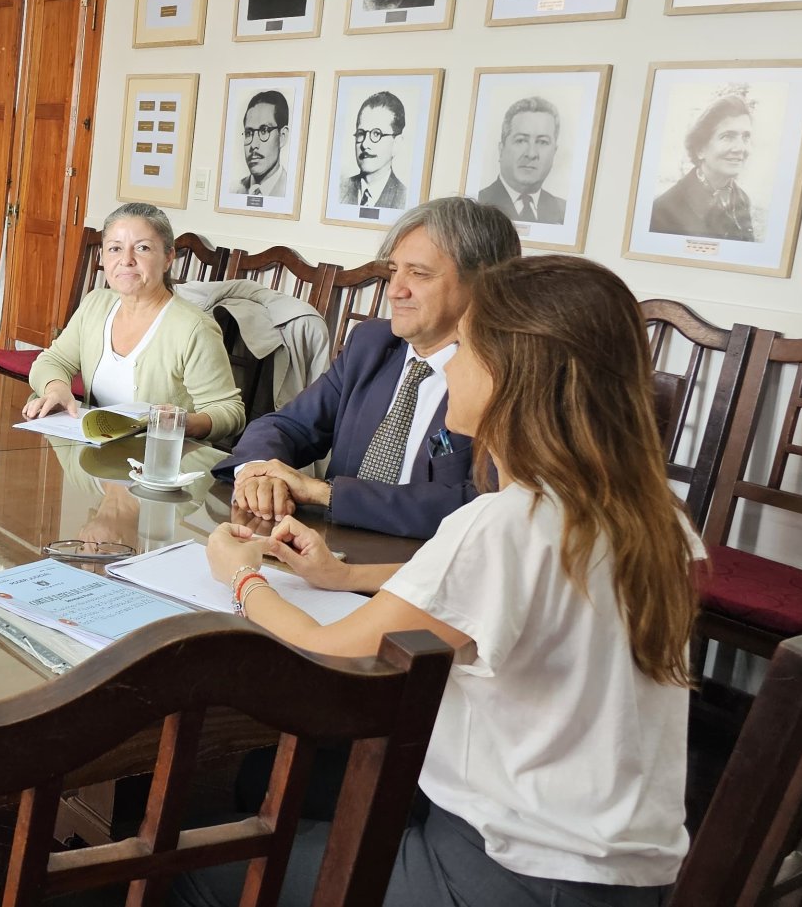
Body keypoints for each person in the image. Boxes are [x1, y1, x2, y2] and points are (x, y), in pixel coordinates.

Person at [181, 255, 699, 906]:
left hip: (505, 873)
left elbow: (334, 653)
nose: (448, 363)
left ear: (513, 375)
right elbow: (517, 596)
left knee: (195, 876)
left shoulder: (505, 522)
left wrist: (242, 578)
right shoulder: (650, 515)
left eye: (467, 347)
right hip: (619, 873)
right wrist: (343, 573)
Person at [215, 198, 521, 539]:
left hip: (423, 568)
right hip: (325, 552)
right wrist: (258, 476)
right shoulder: (372, 344)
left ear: (483, 282)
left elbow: (486, 504)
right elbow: (287, 426)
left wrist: (326, 494)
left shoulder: (505, 375)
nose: (395, 291)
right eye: (393, 271)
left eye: (418, 273)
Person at [22, 202, 246, 443]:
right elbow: (54, 360)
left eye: (142, 248)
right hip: (95, 458)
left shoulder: (193, 328)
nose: (126, 260)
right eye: (115, 248)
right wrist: (57, 389)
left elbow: (229, 410)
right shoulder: (95, 304)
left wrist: (178, 422)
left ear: (168, 257)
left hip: (161, 467)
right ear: (103, 256)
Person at [648, 94, 758, 241]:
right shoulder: (664, 209)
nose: (740, 148)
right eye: (727, 136)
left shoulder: (742, 199)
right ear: (700, 149)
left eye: (745, 137)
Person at [476, 96, 567, 224]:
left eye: (542, 142)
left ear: (554, 152)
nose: (531, 154)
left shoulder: (564, 212)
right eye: (521, 140)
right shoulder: (477, 205)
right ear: (501, 149)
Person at [337, 91, 408, 210]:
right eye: (361, 134)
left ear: (396, 143)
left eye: (376, 134)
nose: (365, 144)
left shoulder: (404, 199)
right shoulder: (339, 189)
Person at [232, 90, 292, 198]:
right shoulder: (234, 190)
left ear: (282, 136)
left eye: (264, 131)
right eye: (249, 133)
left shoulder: (291, 190)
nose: (254, 145)